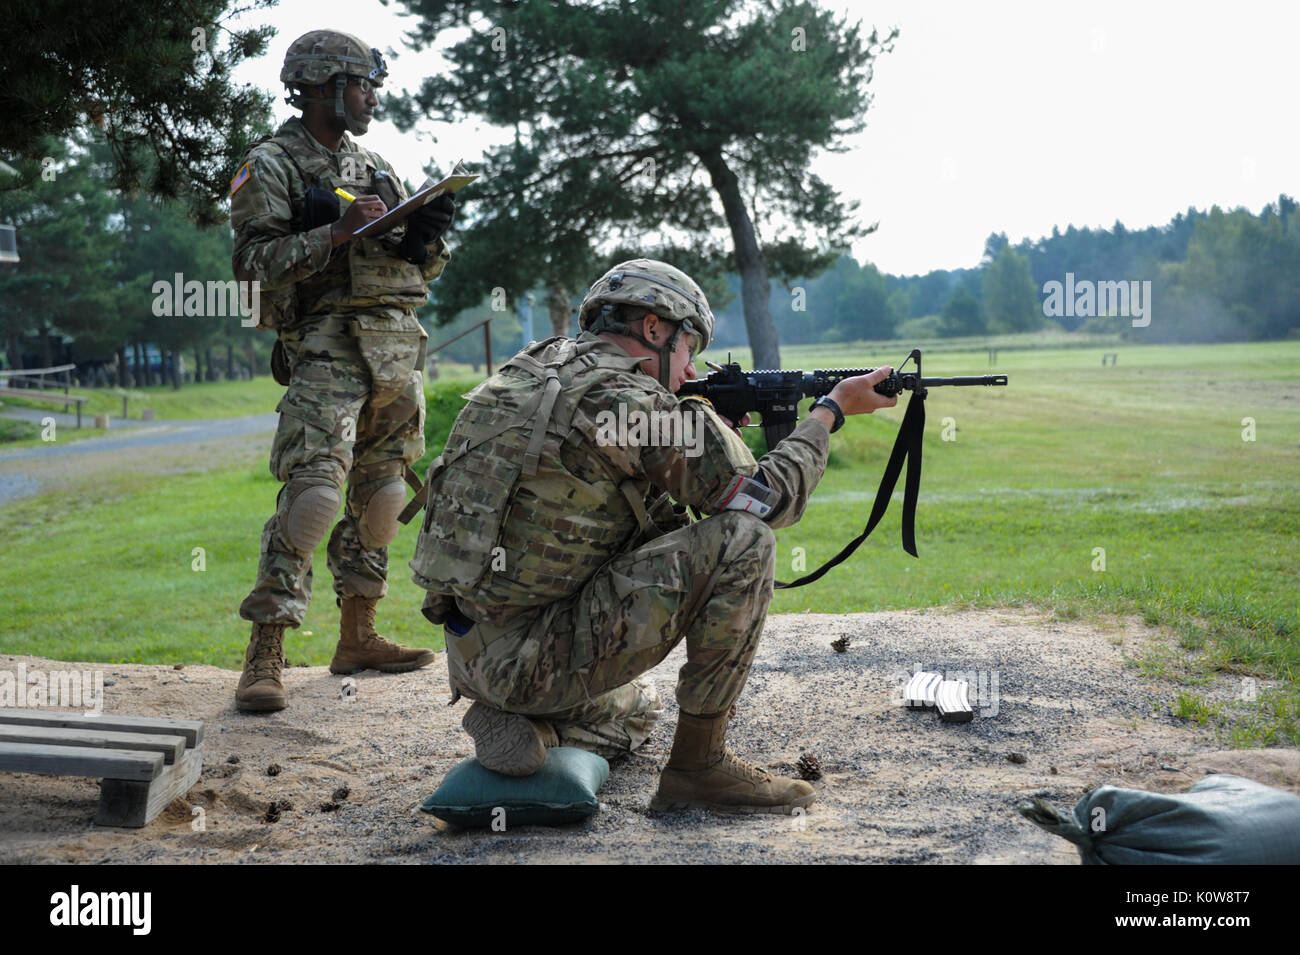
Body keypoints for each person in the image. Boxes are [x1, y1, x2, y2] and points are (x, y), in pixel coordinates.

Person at [409, 259, 897, 814]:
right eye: (688, 351)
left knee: (642, 706)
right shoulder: (633, 401)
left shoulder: (527, 371)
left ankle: (533, 728)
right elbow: (769, 500)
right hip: (536, 656)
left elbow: (600, 511)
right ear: (653, 330)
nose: (689, 373)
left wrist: (711, 444)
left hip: (475, 651)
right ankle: (698, 769)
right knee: (744, 540)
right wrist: (830, 413)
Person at [230, 30, 456, 712]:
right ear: (325, 86)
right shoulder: (270, 164)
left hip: (395, 344)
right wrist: (332, 233)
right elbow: (248, 266)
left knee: (384, 498)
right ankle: (266, 650)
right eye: (362, 85)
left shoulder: (375, 163)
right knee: (314, 498)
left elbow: (419, 267)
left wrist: (424, 239)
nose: (372, 97)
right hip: (326, 346)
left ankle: (359, 634)